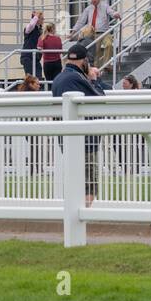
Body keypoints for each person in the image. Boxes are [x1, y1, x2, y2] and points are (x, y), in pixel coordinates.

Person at [51, 42, 107, 205]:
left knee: (74, 180)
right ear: (84, 62)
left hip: (66, 139)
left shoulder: (59, 78)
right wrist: (95, 80)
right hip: (86, 140)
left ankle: (74, 216)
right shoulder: (77, 78)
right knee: (89, 185)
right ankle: (84, 219)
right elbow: (100, 100)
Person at [71, 0, 118, 68]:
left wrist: (115, 14)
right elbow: (81, 21)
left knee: (109, 44)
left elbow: (111, 12)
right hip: (92, 33)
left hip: (104, 32)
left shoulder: (105, 6)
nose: (93, 0)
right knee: (95, 52)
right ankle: (96, 69)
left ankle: (107, 65)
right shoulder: (88, 9)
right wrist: (73, 33)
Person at [21, 11, 44, 80]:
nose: (43, 20)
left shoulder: (40, 30)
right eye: (42, 19)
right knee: (30, 79)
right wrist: (36, 17)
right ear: (37, 20)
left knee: (38, 78)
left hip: (36, 58)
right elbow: (31, 25)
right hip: (28, 57)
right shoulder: (29, 28)